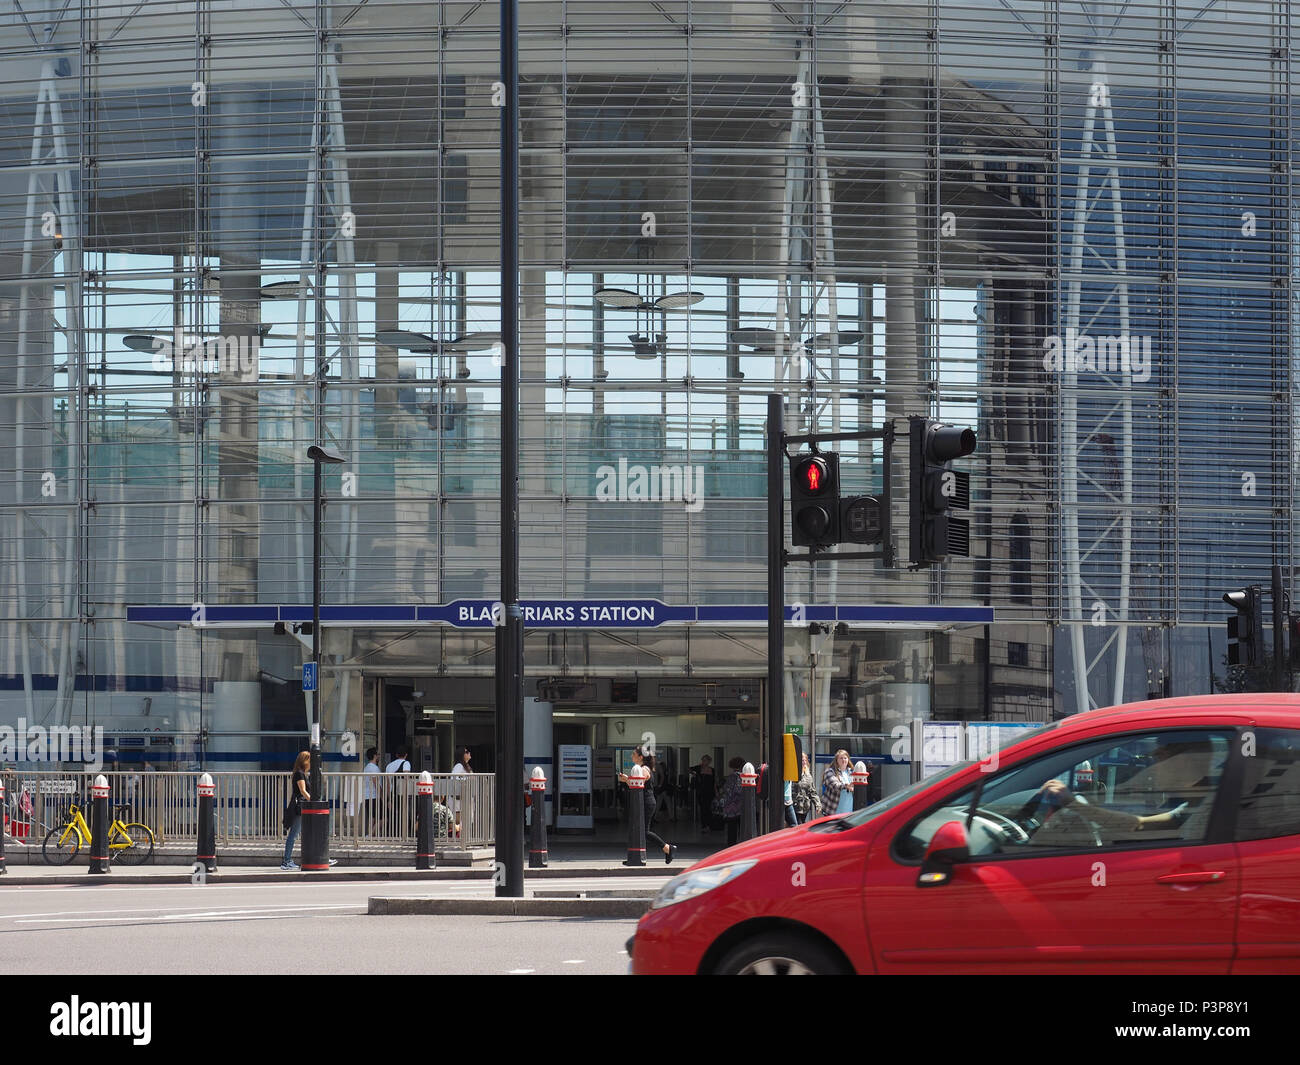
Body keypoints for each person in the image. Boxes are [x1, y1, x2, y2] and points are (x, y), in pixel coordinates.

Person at [619, 746, 676, 864]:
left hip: (646, 802)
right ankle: (662, 850)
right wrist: (627, 779)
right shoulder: (642, 768)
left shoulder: (644, 769)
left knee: (643, 831)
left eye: (634, 754)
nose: (631, 756)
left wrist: (626, 780)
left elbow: (638, 782)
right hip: (643, 801)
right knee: (642, 830)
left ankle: (667, 848)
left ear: (641, 757)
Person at [281, 750, 311, 870]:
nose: (311, 764)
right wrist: (313, 802)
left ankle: (319, 856)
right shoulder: (299, 774)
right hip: (299, 807)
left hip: (302, 807)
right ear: (305, 761)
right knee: (293, 835)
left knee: (310, 833)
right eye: (309, 761)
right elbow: (303, 790)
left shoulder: (301, 773)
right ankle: (286, 861)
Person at [718, 756, 745, 845]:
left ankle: (731, 845)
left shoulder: (732, 777)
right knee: (742, 828)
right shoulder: (743, 776)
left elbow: (729, 791)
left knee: (732, 829)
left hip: (732, 807)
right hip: (741, 806)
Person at [384, 747, 411, 836]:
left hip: (392, 794)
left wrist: (388, 799)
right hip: (402, 793)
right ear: (406, 755)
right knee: (404, 814)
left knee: (394, 814)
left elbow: (388, 785)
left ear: (396, 755)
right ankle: (403, 834)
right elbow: (406, 780)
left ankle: (393, 834)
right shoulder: (406, 763)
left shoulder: (389, 765)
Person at [821, 749, 856, 816]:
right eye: (841, 758)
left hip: (849, 811)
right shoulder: (830, 771)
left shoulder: (851, 772)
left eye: (845, 758)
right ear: (836, 760)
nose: (843, 760)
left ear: (848, 759)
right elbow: (834, 785)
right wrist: (846, 786)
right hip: (833, 811)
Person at [792, 753, 821, 824]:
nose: (804, 762)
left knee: (801, 824)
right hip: (794, 807)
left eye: (805, 760)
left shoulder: (808, 776)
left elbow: (812, 792)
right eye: (802, 760)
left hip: (805, 807)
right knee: (797, 825)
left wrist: (817, 804)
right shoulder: (792, 774)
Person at [450, 746, 472, 835]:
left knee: (464, 819)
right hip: (458, 798)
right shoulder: (459, 766)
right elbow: (453, 778)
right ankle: (460, 838)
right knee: (459, 820)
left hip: (463, 798)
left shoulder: (465, 766)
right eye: (466, 752)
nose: (469, 753)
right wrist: (466, 781)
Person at [693, 755, 716, 834]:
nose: (703, 762)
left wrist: (716, 792)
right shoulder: (699, 768)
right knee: (703, 809)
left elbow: (714, 782)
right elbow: (689, 769)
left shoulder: (712, 770)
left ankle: (709, 825)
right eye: (703, 760)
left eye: (705, 760)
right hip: (701, 792)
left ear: (709, 761)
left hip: (710, 792)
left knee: (708, 809)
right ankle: (704, 826)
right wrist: (695, 774)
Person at [362, 747, 381, 833]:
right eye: (378, 754)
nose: (379, 756)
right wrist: (382, 795)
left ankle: (370, 835)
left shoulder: (366, 768)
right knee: (382, 817)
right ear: (375, 756)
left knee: (372, 817)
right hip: (373, 795)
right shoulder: (374, 768)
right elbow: (376, 783)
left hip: (367, 795)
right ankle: (370, 835)